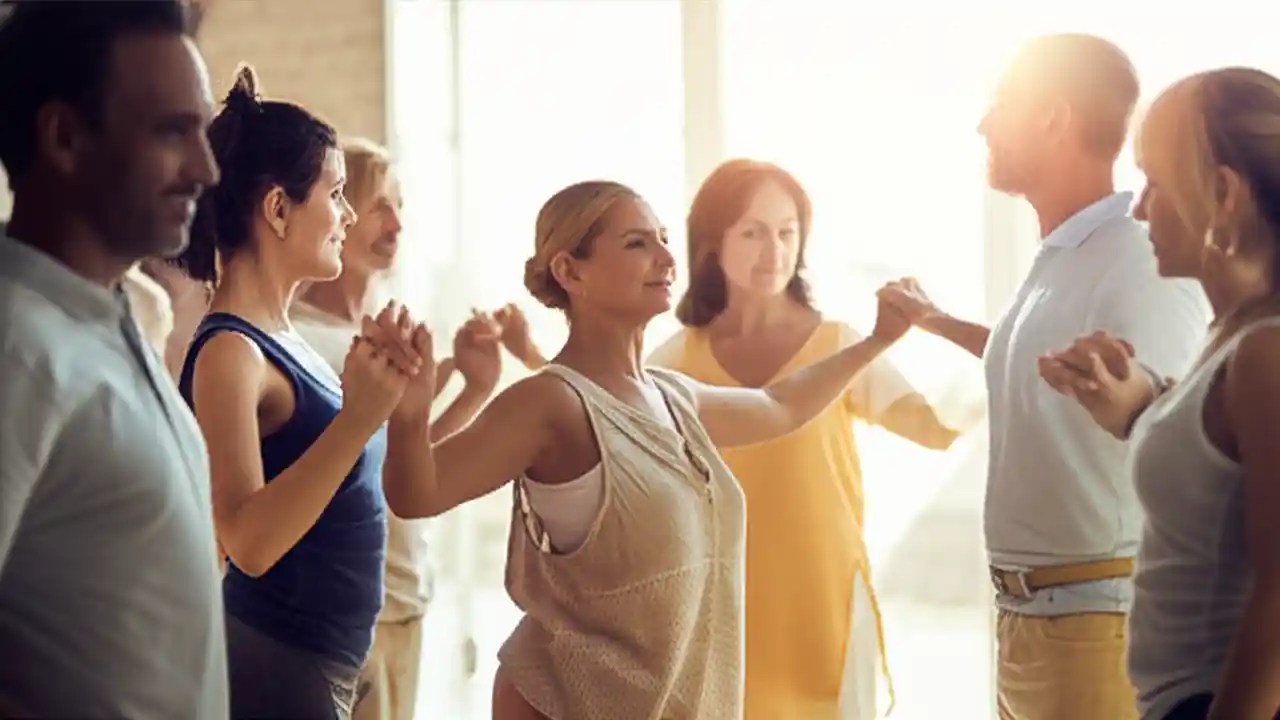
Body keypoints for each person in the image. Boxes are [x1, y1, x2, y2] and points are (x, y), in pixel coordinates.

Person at [360, 179, 915, 720]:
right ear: (570, 270)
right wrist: (410, 414)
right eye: (637, 243)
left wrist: (876, 341)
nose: (667, 259)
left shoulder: (673, 395)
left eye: (664, 239)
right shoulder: (551, 402)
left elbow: (780, 404)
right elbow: (418, 493)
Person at [877, 34, 1209, 719]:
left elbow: (1173, 425)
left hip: (1096, 628)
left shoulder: (1137, 253)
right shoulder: (1064, 255)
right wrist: (935, 320)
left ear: (1054, 116)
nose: (983, 123)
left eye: (1002, 103)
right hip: (1032, 623)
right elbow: (1029, 358)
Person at [648, 158, 969, 719]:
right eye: (752, 231)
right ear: (711, 242)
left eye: (786, 231)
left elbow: (939, 429)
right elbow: (608, 424)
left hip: (824, 605)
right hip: (720, 611)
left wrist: (954, 331)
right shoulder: (678, 359)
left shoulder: (841, 346)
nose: (773, 249)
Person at [174, 66, 425, 719]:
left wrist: (395, 391)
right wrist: (357, 420)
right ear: (279, 208)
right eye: (336, 193)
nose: (347, 216)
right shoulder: (231, 351)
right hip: (279, 663)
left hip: (331, 660)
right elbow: (246, 542)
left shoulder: (284, 336)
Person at [0, 1, 227, 717]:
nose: (207, 168)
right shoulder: (17, 348)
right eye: (172, 131)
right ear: (65, 136)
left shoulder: (114, 315)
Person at [1039, 67, 1280, 720]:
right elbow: (1217, 468)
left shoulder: (1265, 353)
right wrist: (1140, 403)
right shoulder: (1231, 337)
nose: (1139, 206)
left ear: (1223, 193)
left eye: (1153, 182)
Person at [292, 136, 504, 720]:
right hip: (348, 607)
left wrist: (475, 387)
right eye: (378, 202)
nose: (396, 222)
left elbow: (407, 460)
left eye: (400, 203)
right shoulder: (299, 343)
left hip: (405, 596)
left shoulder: (389, 320)